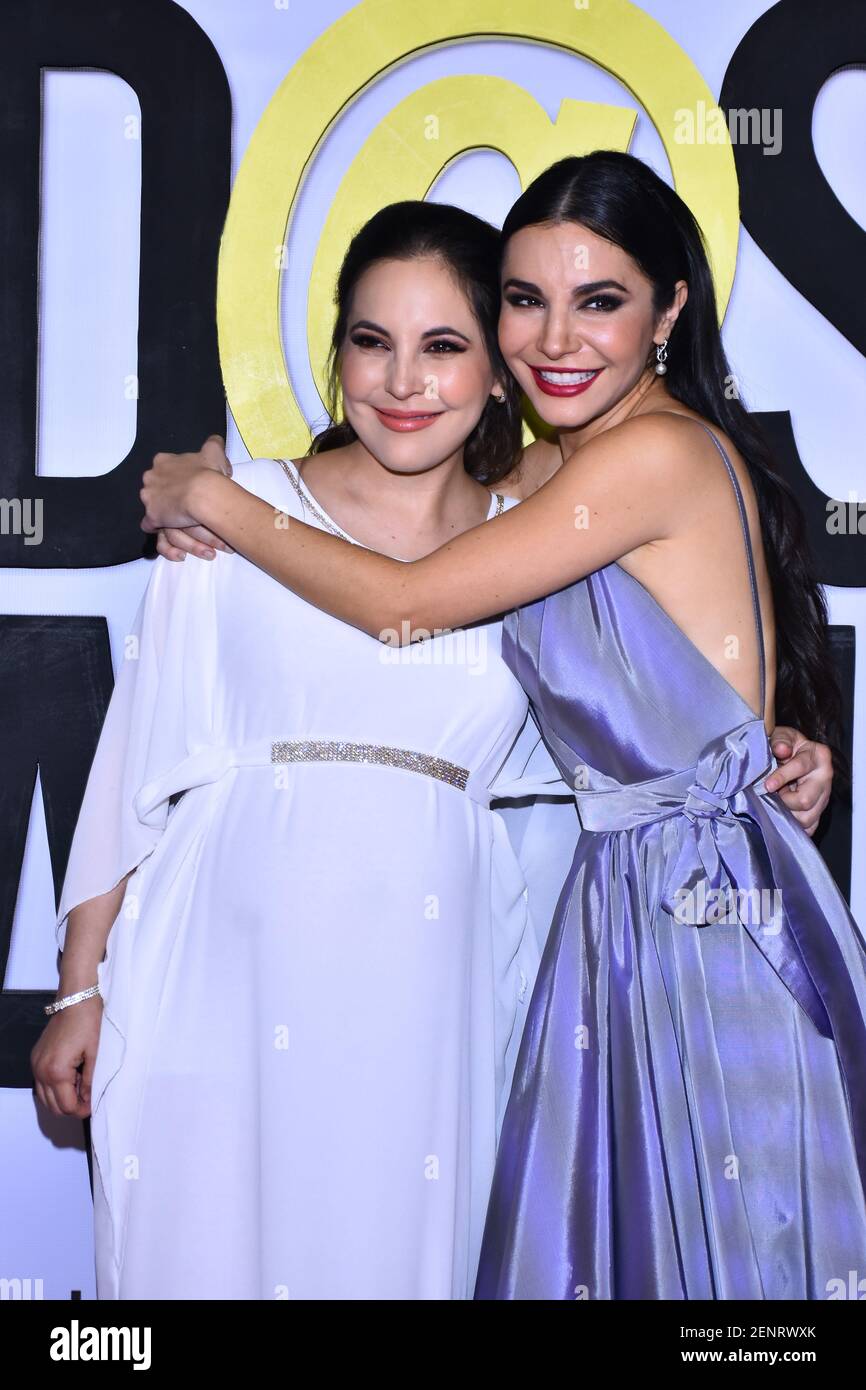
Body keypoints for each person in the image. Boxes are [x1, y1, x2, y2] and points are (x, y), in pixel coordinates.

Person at [139, 153, 866, 1300]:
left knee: (726, 1262)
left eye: (600, 300)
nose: (554, 340)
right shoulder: (549, 472)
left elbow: (403, 603)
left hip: (701, 908)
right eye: (524, 300)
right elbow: (432, 522)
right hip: (630, 896)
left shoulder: (650, 455)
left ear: (669, 309)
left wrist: (214, 499)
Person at [33, 202, 579, 1300]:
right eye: (371, 341)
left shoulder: (536, 551)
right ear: (335, 353)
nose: (401, 381)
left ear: (494, 373)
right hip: (218, 965)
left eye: (441, 347)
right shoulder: (235, 513)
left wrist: (768, 749)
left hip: (433, 987)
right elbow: (137, 755)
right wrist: (76, 987)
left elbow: (643, 718)